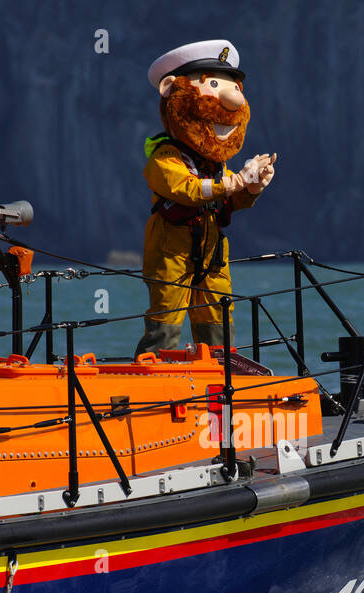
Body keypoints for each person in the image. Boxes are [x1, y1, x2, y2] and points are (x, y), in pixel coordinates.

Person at [135, 40, 276, 358]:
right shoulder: (164, 157)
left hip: (212, 253)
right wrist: (233, 182)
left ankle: (220, 378)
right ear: (172, 89)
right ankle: (152, 376)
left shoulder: (215, 164)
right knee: (166, 321)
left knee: (219, 321)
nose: (230, 96)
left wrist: (251, 187)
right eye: (213, 84)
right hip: (171, 252)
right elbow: (185, 189)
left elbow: (228, 203)